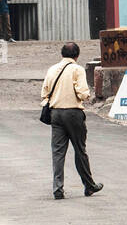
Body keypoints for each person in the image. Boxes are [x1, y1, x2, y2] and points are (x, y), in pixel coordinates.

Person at [41, 42, 102, 200]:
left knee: (58, 153)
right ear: (77, 55)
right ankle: (89, 185)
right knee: (80, 150)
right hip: (73, 113)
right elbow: (82, 93)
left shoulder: (52, 69)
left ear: (62, 54)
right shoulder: (77, 69)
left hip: (55, 114)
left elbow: (44, 93)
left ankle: (58, 188)